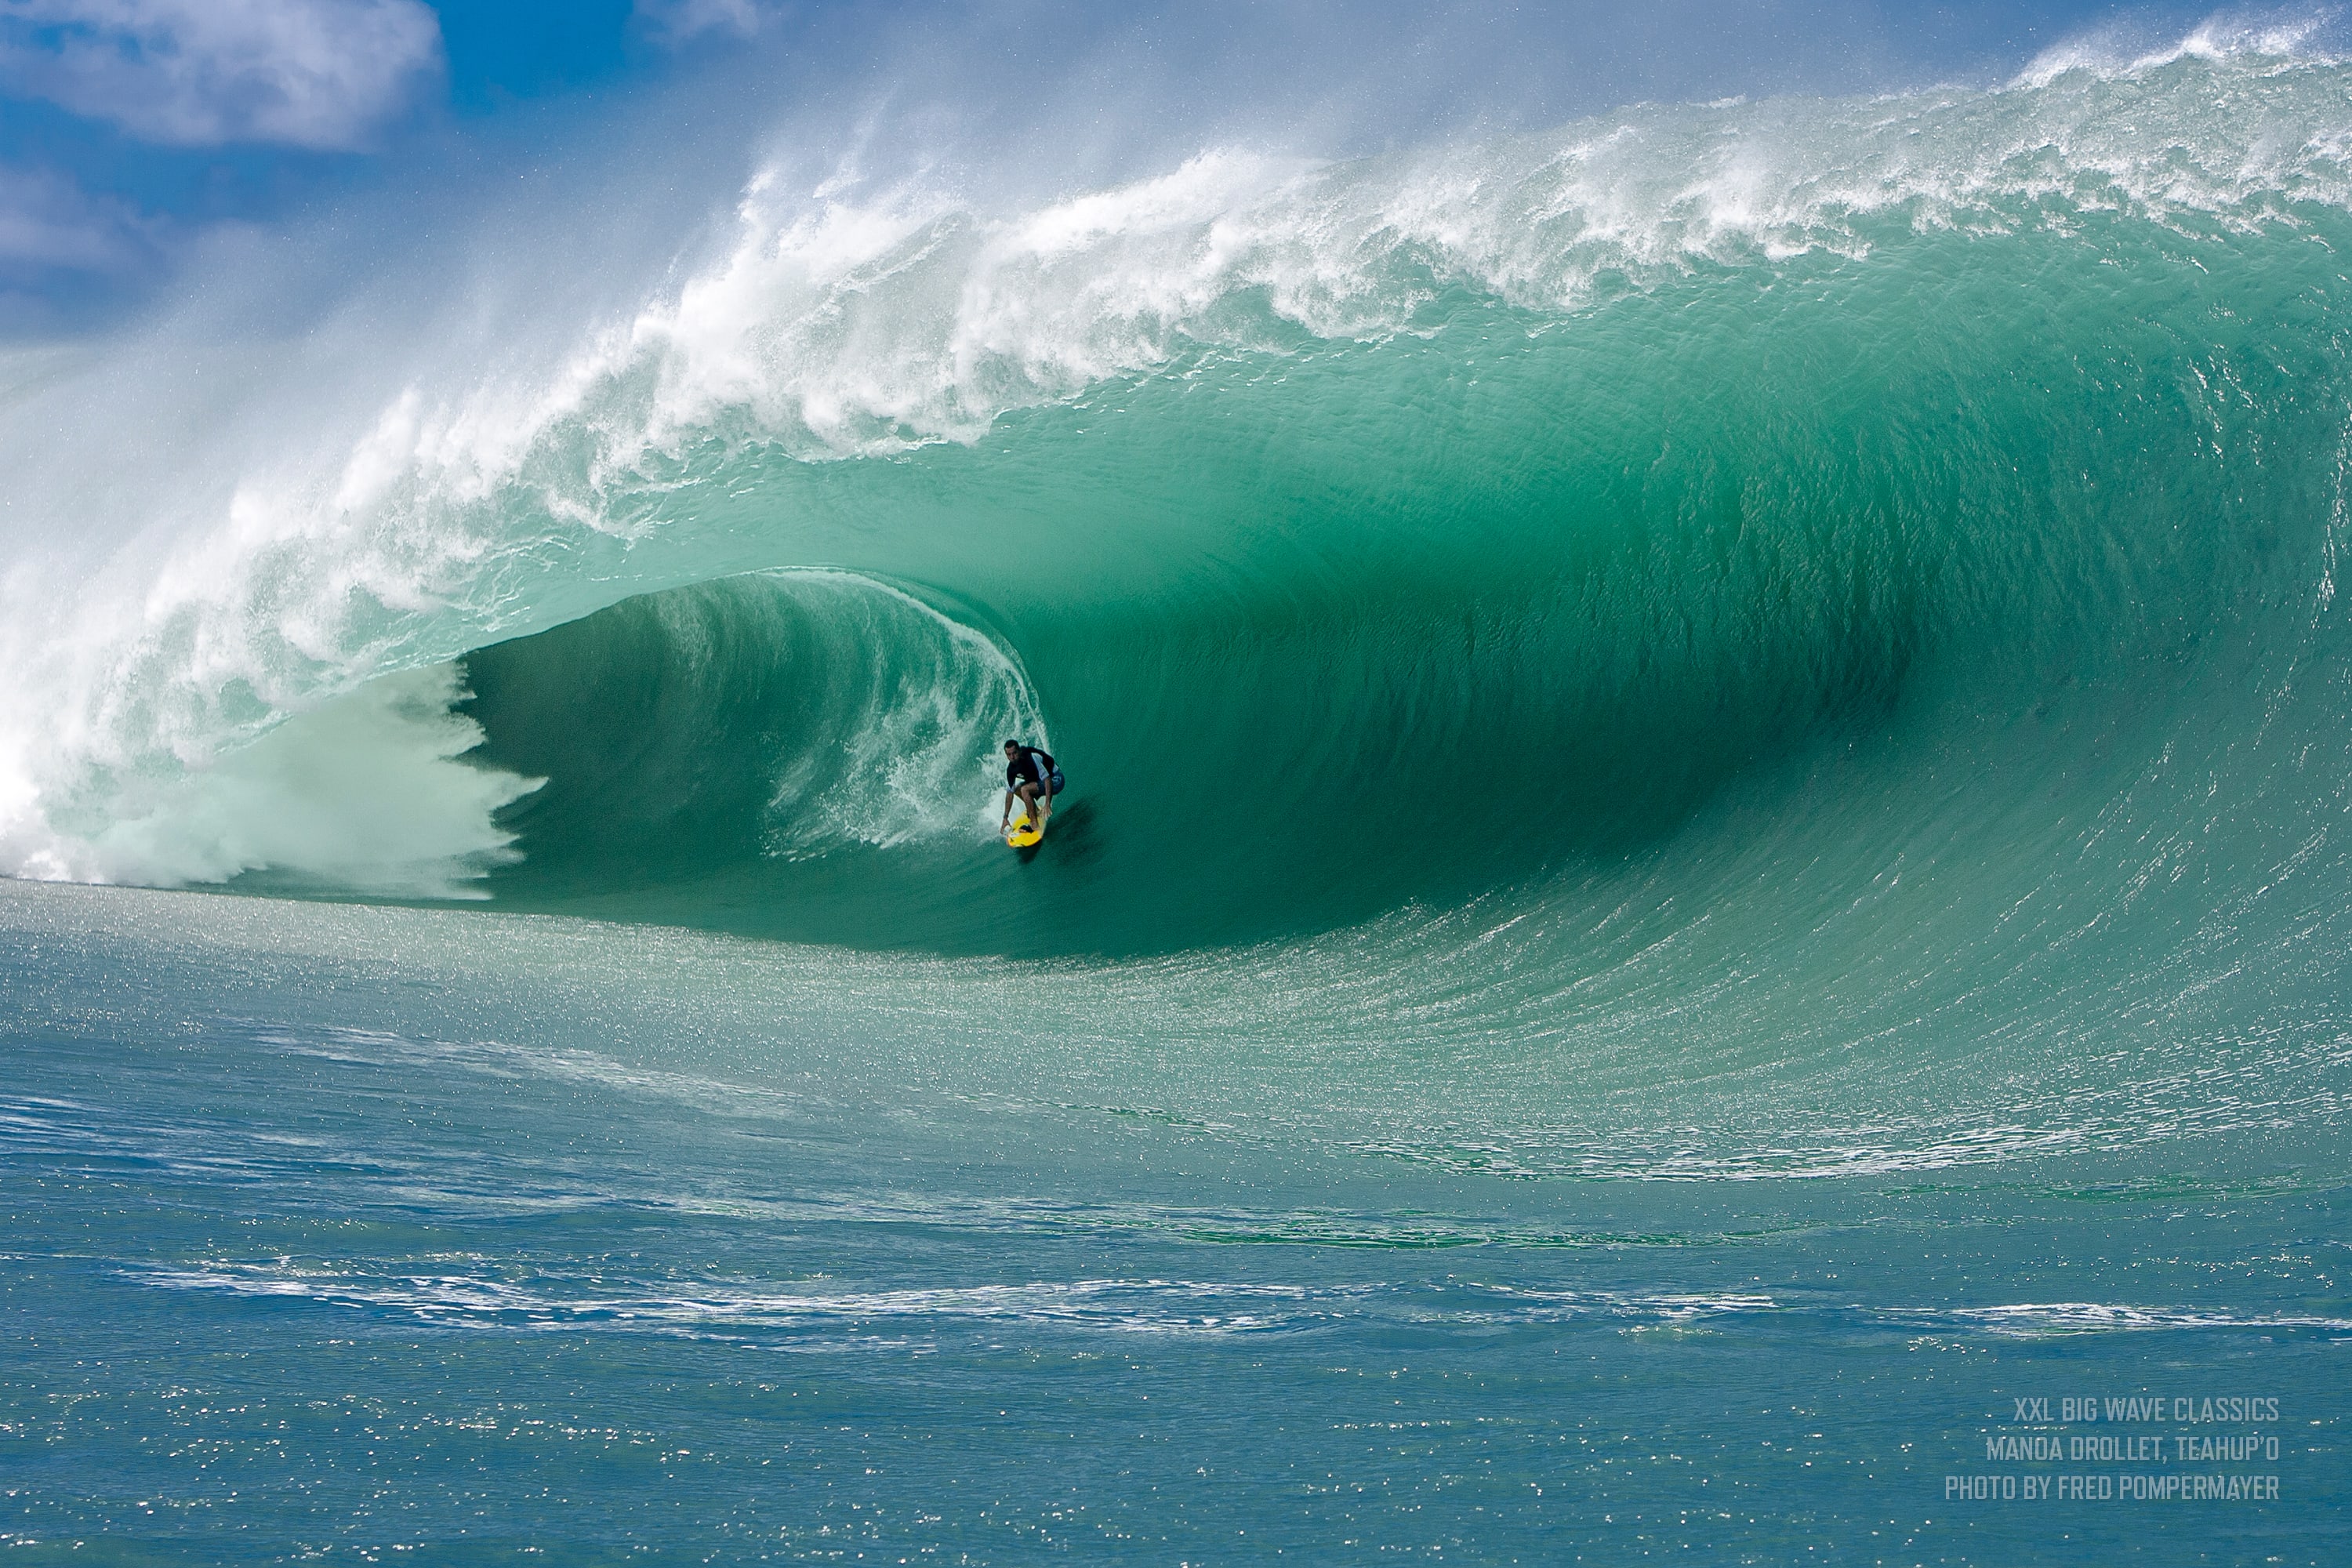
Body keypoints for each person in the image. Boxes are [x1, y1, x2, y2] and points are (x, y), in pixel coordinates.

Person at [1000, 739, 1062, 838]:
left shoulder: (1031, 757)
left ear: (1019, 751)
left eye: (1014, 753)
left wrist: (1047, 804)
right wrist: (1005, 817)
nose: (1012, 757)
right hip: (1040, 782)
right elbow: (1010, 793)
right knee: (1016, 789)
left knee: (1025, 789)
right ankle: (1035, 811)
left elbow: (1047, 780)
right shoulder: (1011, 769)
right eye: (1009, 755)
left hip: (1056, 779)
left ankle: (1034, 825)